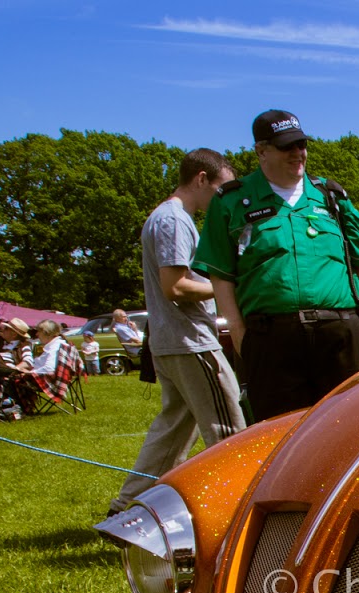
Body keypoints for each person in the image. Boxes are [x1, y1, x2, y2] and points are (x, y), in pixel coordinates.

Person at [194, 109, 359, 422]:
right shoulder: (232, 200)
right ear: (261, 150)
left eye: (301, 144)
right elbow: (220, 274)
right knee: (279, 432)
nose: (297, 153)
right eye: (286, 147)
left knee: (349, 426)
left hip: (338, 333)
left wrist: (354, 313)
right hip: (271, 338)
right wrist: (239, 333)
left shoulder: (330, 196)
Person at [111, 148, 248, 512]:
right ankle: (239, 511)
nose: (225, 200)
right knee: (230, 429)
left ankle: (127, 508)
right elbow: (176, 285)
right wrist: (230, 287)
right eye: (223, 190)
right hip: (191, 343)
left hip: (171, 342)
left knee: (171, 433)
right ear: (202, 179)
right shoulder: (173, 220)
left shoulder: (166, 217)